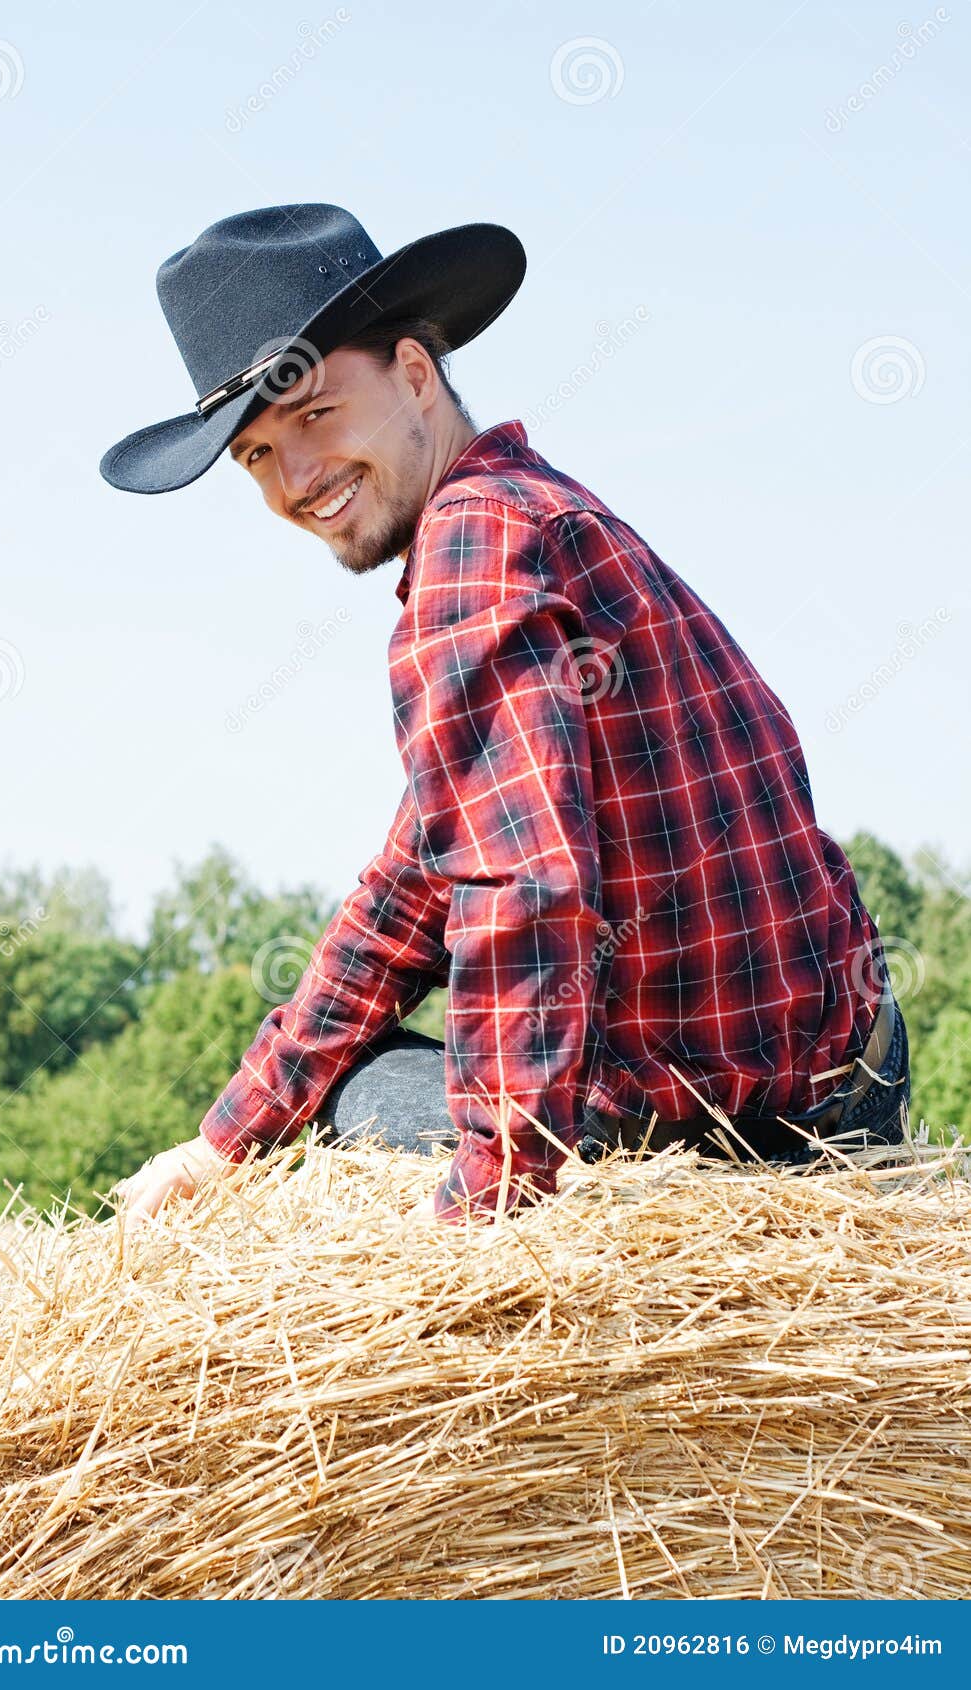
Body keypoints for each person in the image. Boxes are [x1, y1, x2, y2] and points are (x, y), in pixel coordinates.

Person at [100, 204, 910, 1229]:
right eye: (256, 457)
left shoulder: (470, 549)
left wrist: (487, 1210)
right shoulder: (533, 509)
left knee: (356, 1101)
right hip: (855, 1078)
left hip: (742, 1133)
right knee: (316, 1084)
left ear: (413, 373)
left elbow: (519, 887)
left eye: (312, 415)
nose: (295, 482)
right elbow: (410, 891)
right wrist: (221, 1140)